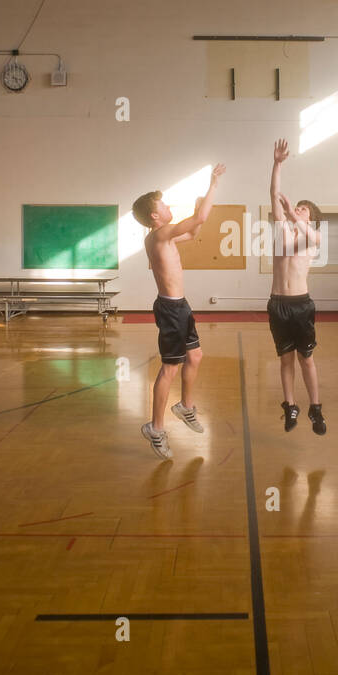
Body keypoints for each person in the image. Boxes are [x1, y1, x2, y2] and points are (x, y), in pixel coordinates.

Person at [131, 163, 226, 458]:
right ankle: (155, 428)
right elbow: (199, 218)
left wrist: (199, 214)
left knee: (195, 356)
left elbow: (195, 230)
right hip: (171, 310)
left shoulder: (166, 236)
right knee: (170, 367)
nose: (168, 205)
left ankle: (185, 407)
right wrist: (213, 184)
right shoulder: (158, 236)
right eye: (163, 204)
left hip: (181, 306)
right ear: (154, 216)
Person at [267, 139, 326, 435]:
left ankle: (315, 407)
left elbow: (313, 238)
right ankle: (290, 404)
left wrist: (295, 214)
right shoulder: (282, 234)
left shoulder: (310, 239)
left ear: (310, 219)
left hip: (301, 304)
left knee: (306, 359)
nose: (298, 209)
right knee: (285, 359)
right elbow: (274, 194)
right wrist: (277, 163)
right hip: (278, 304)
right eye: (297, 207)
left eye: (304, 209)